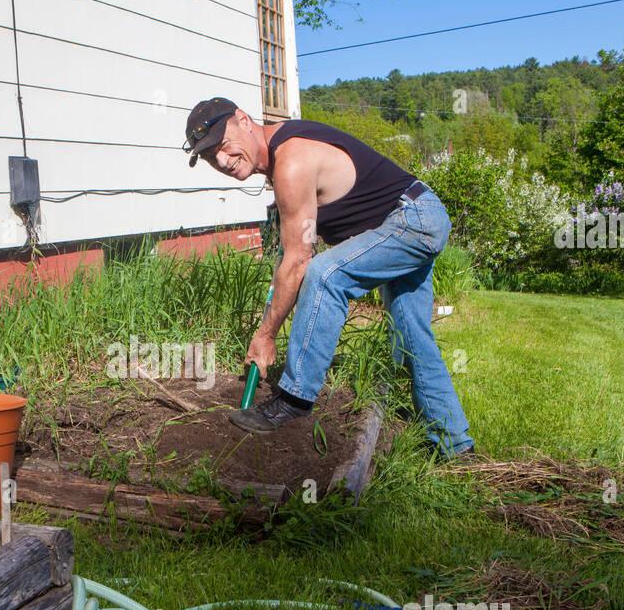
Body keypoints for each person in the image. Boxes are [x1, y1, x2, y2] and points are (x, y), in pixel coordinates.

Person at [183, 97, 473, 458]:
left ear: (243, 120)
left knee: (326, 274)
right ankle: (456, 447)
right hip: (412, 219)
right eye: (211, 158)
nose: (222, 161)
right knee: (413, 337)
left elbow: (301, 260)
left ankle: (293, 398)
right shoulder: (283, 158)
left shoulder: (291, 160)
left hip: (411, 220)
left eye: (223, 146)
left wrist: (266, 335)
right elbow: (288, 256)